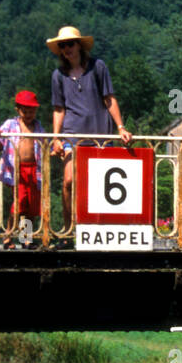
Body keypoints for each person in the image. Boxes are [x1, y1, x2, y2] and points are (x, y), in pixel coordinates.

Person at [47, 25, 132, 228]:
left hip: (100, 135)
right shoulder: (58, 75)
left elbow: (109, 98)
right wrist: (56, 138)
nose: (66, 49)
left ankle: (98, 230)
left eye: (70, 44)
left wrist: (121, 127)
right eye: (62, 45)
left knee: (100, 186)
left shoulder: (98, 67)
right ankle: (68, 230)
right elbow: (59, 109)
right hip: (72, 135)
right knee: (69, 181)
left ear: (79, 45)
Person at [0, 90, 44, 249]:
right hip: (16, 170)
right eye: (25, 111)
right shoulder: (10, 125)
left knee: (31, 205)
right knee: (19, 203)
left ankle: (26, 238)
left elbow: (44, 144)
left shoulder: (38, 126)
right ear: (18, 110)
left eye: (31, 111)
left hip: (34, 170)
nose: (28, 115)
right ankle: (7, 236)